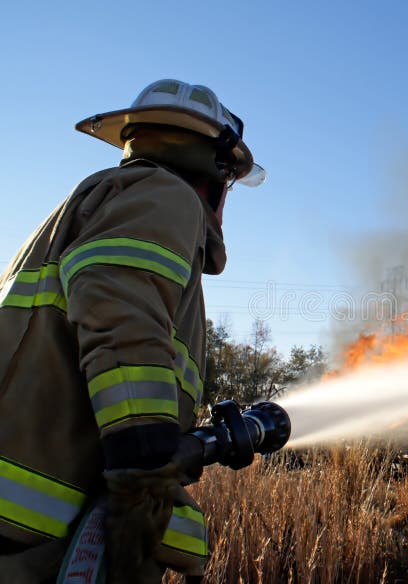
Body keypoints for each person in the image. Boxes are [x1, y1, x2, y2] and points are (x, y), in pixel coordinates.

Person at [0, 79, 265, 582]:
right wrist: (146, 467)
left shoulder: (93, 206)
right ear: (217, 168)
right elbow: (119, 308)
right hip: (32, 551)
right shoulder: (164, 194)